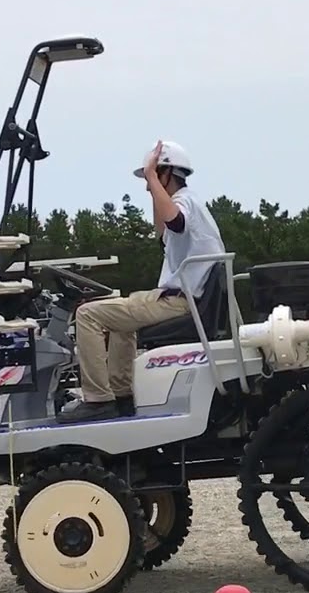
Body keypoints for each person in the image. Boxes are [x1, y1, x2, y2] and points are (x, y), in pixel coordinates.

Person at [56, 140, 227, 423]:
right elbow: (162, 232)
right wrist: (154, 186)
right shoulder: (191, 201)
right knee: (120, 317)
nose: (147, 187)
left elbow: (175, 223)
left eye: (150, 178)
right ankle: (122, 396)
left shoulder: (184, 203)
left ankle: (99, 399)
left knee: (86, 314)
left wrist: (152, 177)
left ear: (166, 173)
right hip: (182, 298)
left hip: (179, 302)